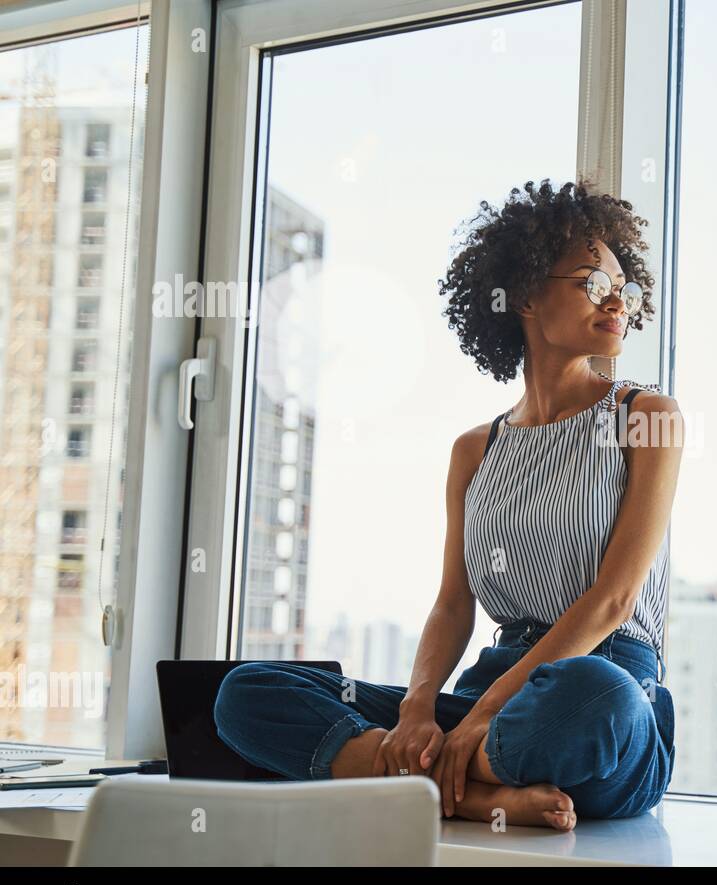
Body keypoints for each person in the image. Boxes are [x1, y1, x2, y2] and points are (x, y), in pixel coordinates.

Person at [214, 179, 685, 830]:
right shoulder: (475, 449)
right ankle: (478, 793)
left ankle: (422, 786)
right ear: (523, 293)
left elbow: (615, 601)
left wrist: (490, 710)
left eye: (622, 286)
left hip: (597, 688)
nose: (616, 299)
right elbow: (452, 604)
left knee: (595, 704)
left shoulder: (646, 417)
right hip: (488, 699)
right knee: (245, 694)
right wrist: (416, 709)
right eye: (588, 281)